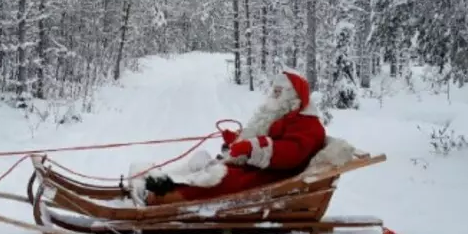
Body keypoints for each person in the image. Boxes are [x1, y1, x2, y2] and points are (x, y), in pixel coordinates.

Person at [135, 69, 327, 205]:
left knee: (220, 178)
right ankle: (162, 183)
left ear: (292, 96)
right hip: (259, 168)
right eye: (273, 92)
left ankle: (165, 198)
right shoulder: (283, 114)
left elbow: (291, 154)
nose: (273, 97)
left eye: (278, 93)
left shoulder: (308, 124)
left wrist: (250, 147)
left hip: (275, 178)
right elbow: (262, 138)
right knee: (203, 161)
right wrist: (236, 140)